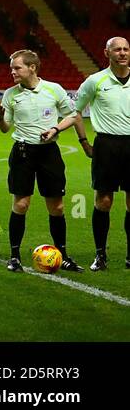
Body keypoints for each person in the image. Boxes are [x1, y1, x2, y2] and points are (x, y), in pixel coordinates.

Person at [0, 49, 86, 272]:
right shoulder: (10, 94)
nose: (12, 72)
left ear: (32, 67)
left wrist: (55, 128)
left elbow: (72, 115)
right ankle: (14, 256)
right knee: (21, 204)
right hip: (23, 152)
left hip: (49, 153)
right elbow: (5, 128)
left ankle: (62, 255)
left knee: (58, 207)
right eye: (11, 68)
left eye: (17, 68)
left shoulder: (53, 89)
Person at [73, 36, 130, 271]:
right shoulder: (94, 81)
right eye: (117, 49)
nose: (123, 53)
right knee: (104, 201)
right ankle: (100, 254)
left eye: (126, 49)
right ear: (107, 53)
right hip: (106, 145)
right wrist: (84, 142)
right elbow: (74, 111)